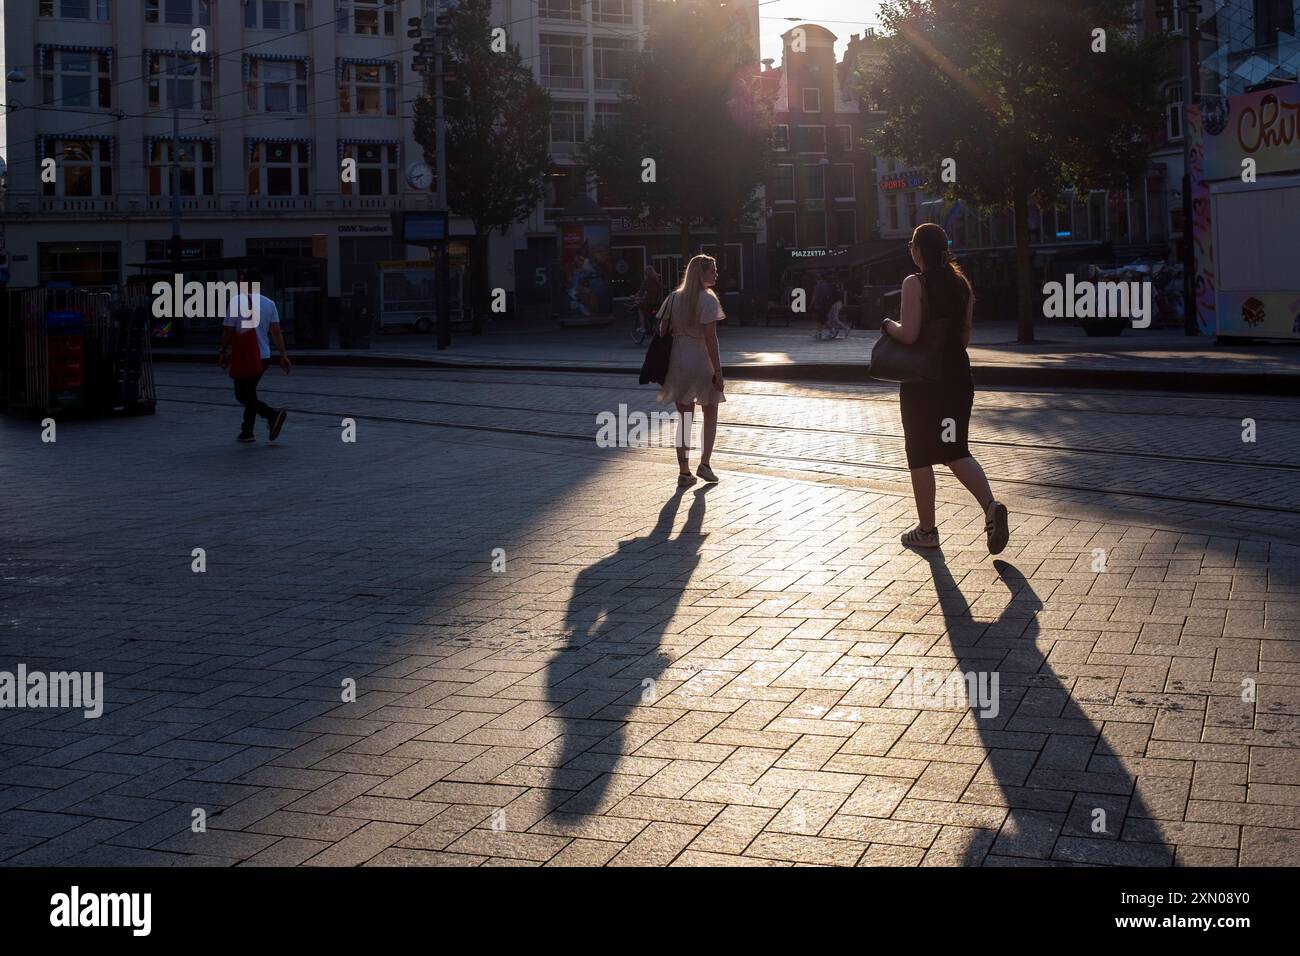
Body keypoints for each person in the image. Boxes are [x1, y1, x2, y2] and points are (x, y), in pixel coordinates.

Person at [881, 223, 1009, 554]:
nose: (910, 249)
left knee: (919, 453)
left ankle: (927, 530)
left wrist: (887, 325)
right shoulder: (962, 285)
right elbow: (964, 337)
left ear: (918, 250)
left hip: (923, 384)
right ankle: (991, 507)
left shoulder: (914, 283)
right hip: (957, 380)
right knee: (954, 449)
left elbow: (909, 334)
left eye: (911, 244)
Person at [656, 254, 725, 486]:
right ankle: (704, 464)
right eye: (712, 270)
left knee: (684, 418)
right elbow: (710, 338)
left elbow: (662, 330)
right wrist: (718, 370)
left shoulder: (673, 297)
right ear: (701, 274)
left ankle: (684, 471)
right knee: (710, 411)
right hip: (701, 361)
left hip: (678, 360)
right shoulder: (708, 299)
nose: (716, 274)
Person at [219, 270, 291, 443]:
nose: (237, 283)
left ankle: (272, 414)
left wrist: (222, 350)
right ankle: (247, 431)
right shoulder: (269, 303)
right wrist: (283, 355)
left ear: (245, 282)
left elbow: (228, 331)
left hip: (245, 356)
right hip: (263, 356)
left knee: (242, 396)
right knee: (250, 393)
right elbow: (276, 332)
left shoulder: (237, 301)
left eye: (240, 280)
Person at [636, 265, 664, 338]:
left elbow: (641, 292)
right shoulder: (658, 280)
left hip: (649, 303)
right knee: (657, 315)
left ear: (645, 274)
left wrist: (634, 296)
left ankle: (642, 327)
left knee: (640, 308)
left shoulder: (646, 281)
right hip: (659, 302)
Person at [812, 274, 834, 339]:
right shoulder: (828, 285)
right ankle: (820, 333)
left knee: (821, 320)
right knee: (821, 319)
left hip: (819, 305)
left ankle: (831, 330)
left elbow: (814, 296)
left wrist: (811, 304)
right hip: (826, 305)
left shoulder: (817, 286)